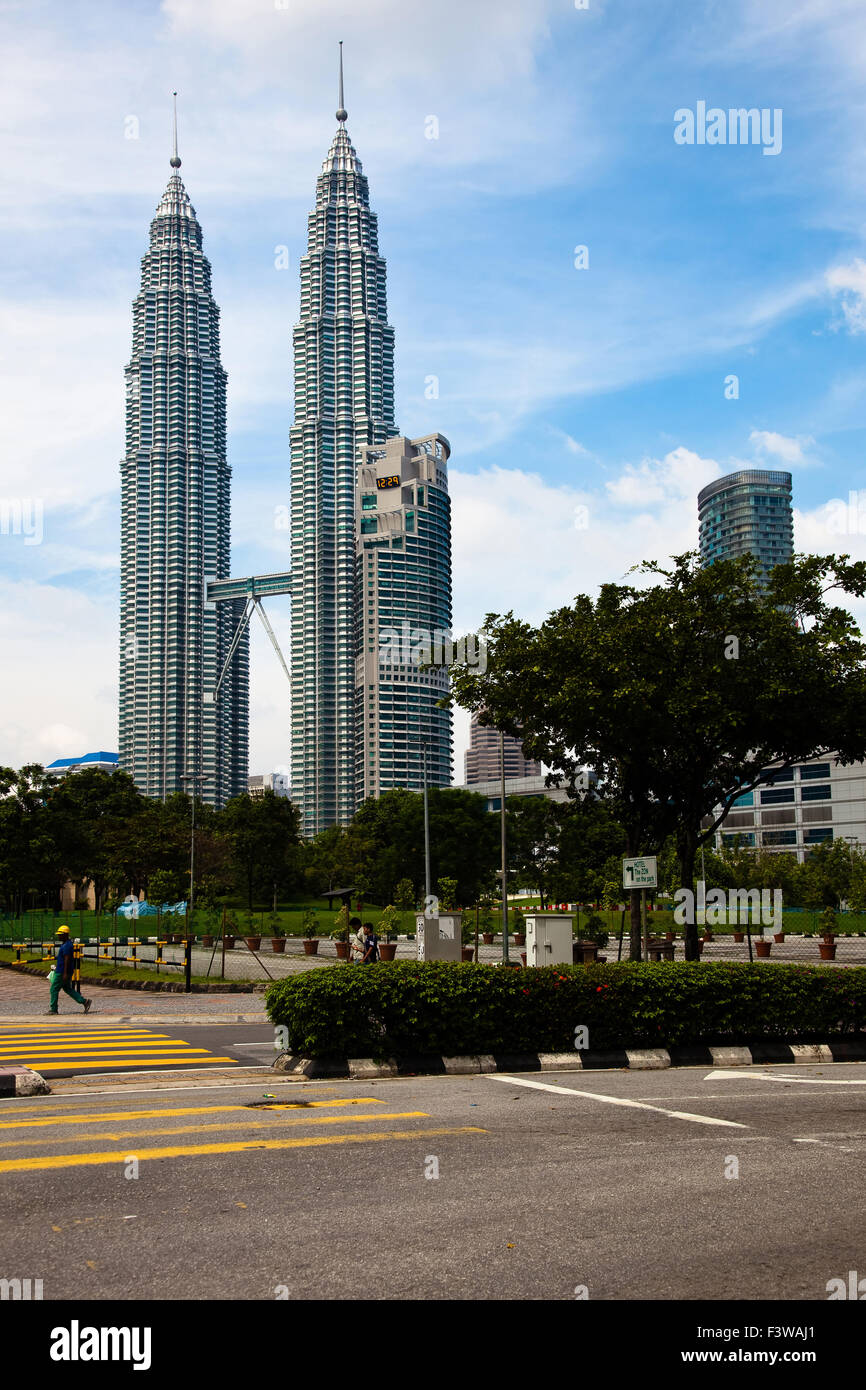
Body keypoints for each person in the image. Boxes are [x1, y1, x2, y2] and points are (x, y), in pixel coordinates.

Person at [46, 926, 92, 1015]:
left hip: (62, 972)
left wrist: (65, 973)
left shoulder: (67, 946)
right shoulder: (66, 944)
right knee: (67, 989)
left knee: (54, 989)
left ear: (66, 935)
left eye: (60, 935)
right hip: (63, 970)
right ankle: (84, 1001)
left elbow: (67, 959)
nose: (59, 936)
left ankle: (53, 1009)